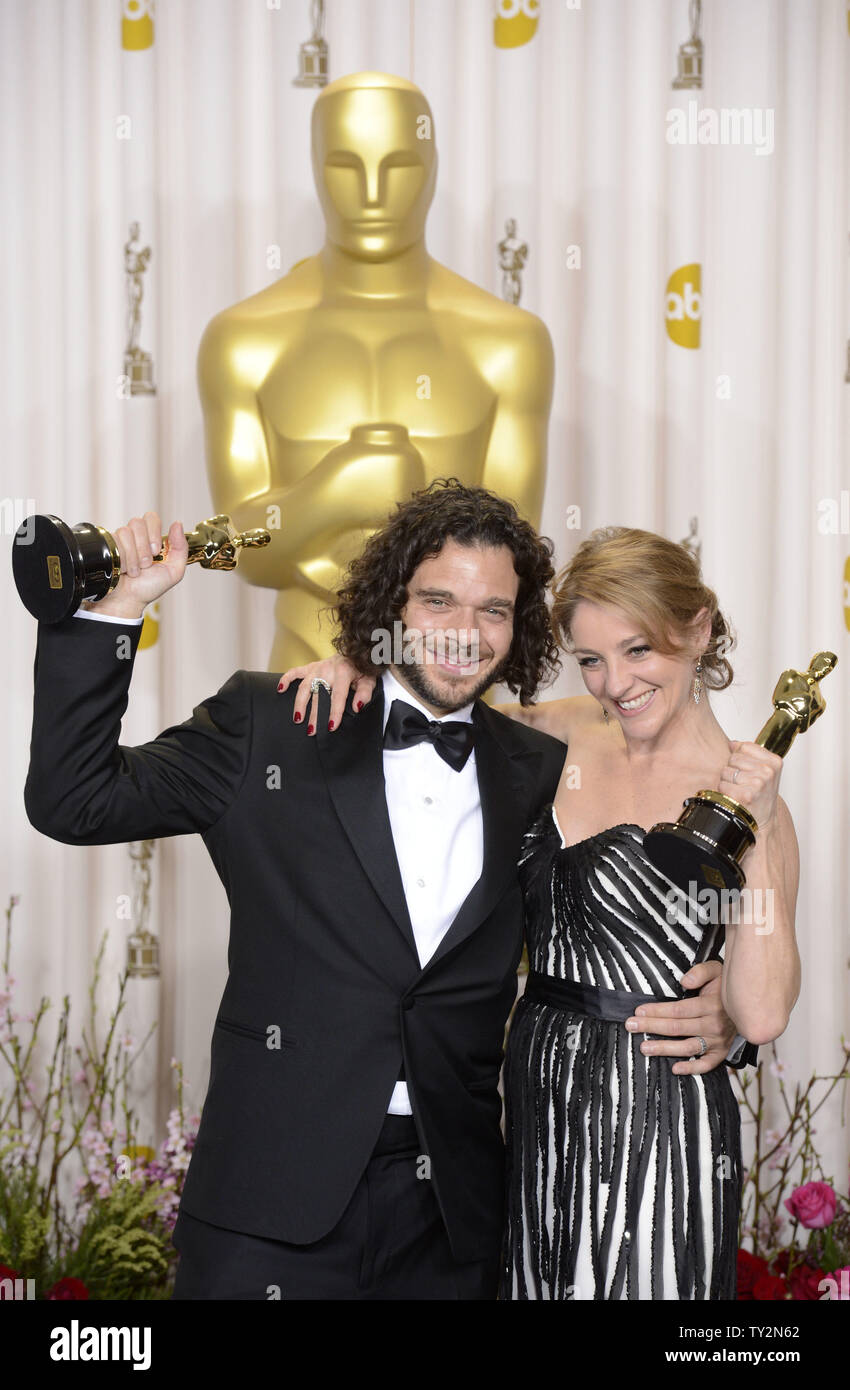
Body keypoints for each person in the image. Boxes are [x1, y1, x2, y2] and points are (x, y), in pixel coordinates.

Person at [283, 519, 800, 1300]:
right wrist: (357, 662)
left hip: (661, 1111)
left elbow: (759, 1017)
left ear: (696, 631)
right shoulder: (551, 733)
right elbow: (428, 702)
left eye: (639, 651)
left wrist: (754, 831)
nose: (615, 683)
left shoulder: (752, 797)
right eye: (591, 659)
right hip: (539, 1096)